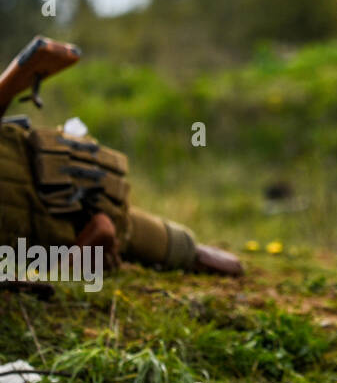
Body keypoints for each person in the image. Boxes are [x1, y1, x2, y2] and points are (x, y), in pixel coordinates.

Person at [0, 117, 241, 280]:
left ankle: (188, 249)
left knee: (185, 248)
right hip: (57, 208)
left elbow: (104, 228)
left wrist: (66, 267)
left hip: (76, 207)